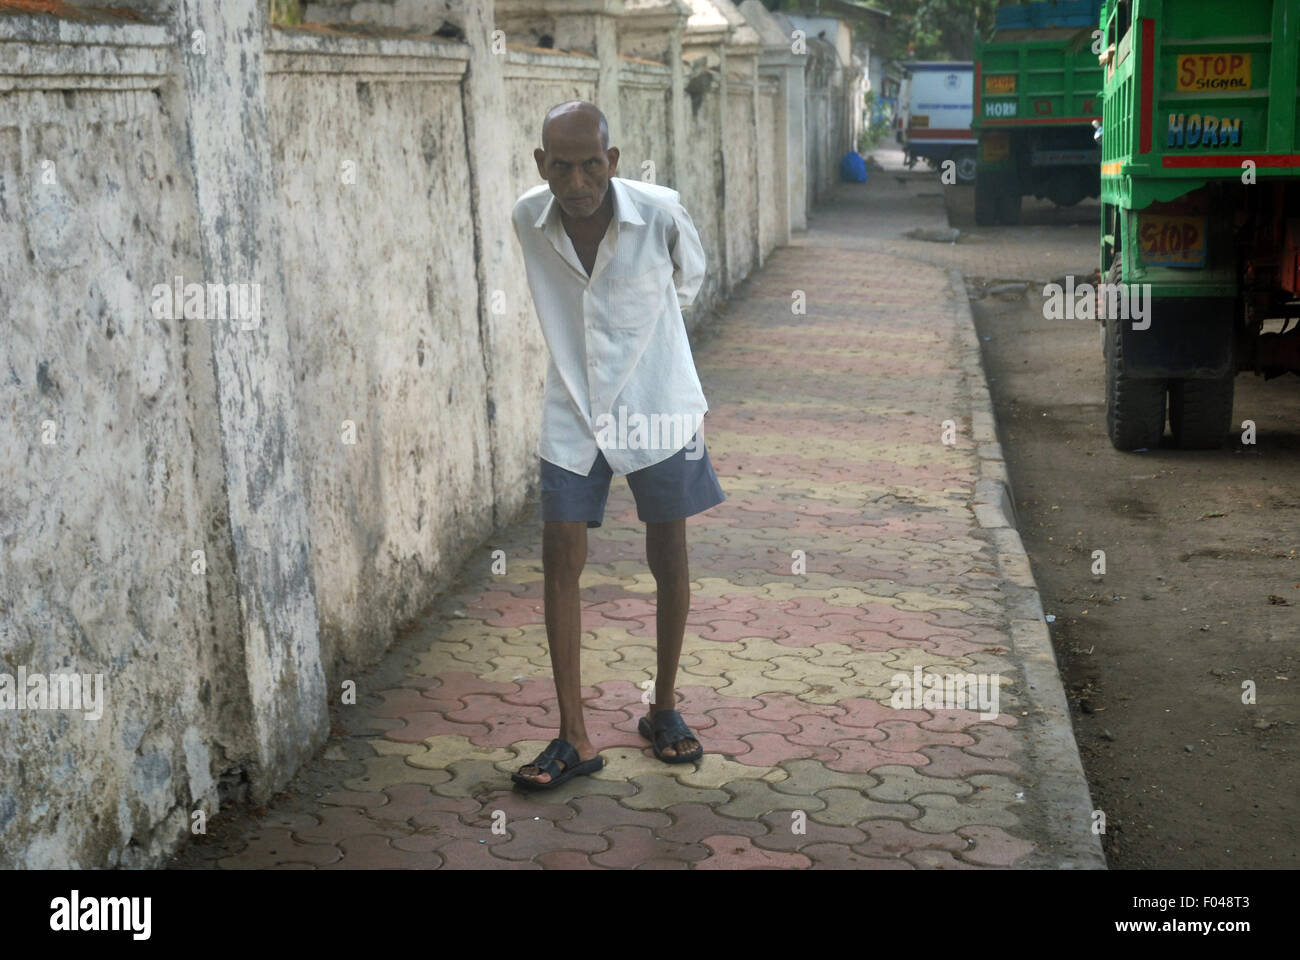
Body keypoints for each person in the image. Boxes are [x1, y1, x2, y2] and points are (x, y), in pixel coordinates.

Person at [508, 101, 726, 789]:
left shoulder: (659, 212)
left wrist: (642, 338)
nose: (577, 183)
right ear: (542, 165)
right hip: (571, 408)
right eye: (562, 167)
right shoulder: (526, 218)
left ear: (614, 162)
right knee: (560, 555)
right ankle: (574, 736)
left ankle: (663, 709)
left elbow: (691, 279)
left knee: (669, 552)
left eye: (591, 166)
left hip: (658, 398)